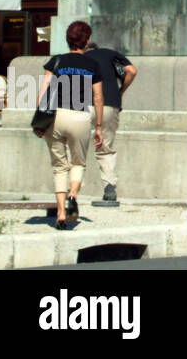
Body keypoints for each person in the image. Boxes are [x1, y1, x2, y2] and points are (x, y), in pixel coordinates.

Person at [35, 21, 104, 230]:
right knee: (78, 162)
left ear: (67, 39)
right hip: (80, 116)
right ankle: (73, 194)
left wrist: (40, 120)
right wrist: (99, 126)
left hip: (56, 116)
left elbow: (43, 91)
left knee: (59, 167)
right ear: (86, 40)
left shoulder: (56, 61)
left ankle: (61, 214)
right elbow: (98, 97)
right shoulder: (92, 65)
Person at [83, 39, 137, 204]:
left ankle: (70, 190)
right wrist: (120, 91)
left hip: (82, 105)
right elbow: (131, 71)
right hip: (109, 103)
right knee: (105, 148)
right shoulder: (111, 55)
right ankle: (109, 187)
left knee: (75, 147)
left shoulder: (79, 58)